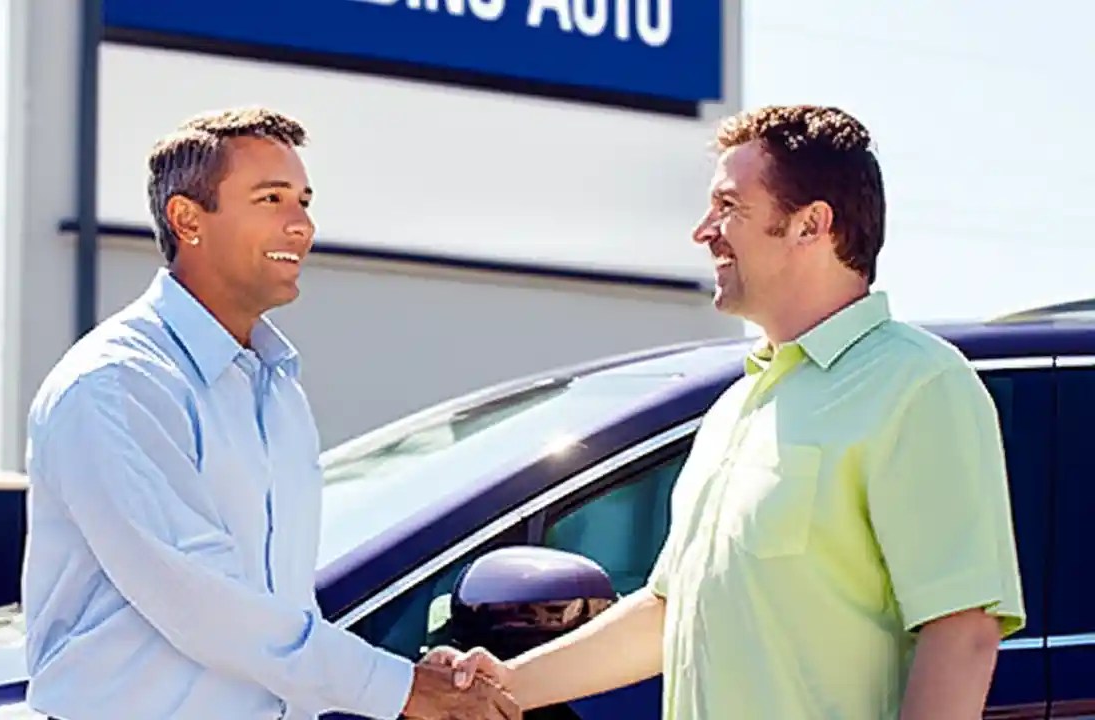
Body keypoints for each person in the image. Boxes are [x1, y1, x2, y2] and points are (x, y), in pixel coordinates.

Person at [430, 104, 1026, 718]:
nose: (703, 230)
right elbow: (668, 613)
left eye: (729, 206)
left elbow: (962, 631)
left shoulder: (919, 383)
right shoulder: (737, 404)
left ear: (811, 224)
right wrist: (500, 686)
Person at [19, 107, 519, 720]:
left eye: (305, 201)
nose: (302, 225)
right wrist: (401, 687)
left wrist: (408, 671)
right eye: (272, 198)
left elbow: (279, 611)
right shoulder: (116, 384)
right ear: (187, 218)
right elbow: (205, 602)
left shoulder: (276, 386)